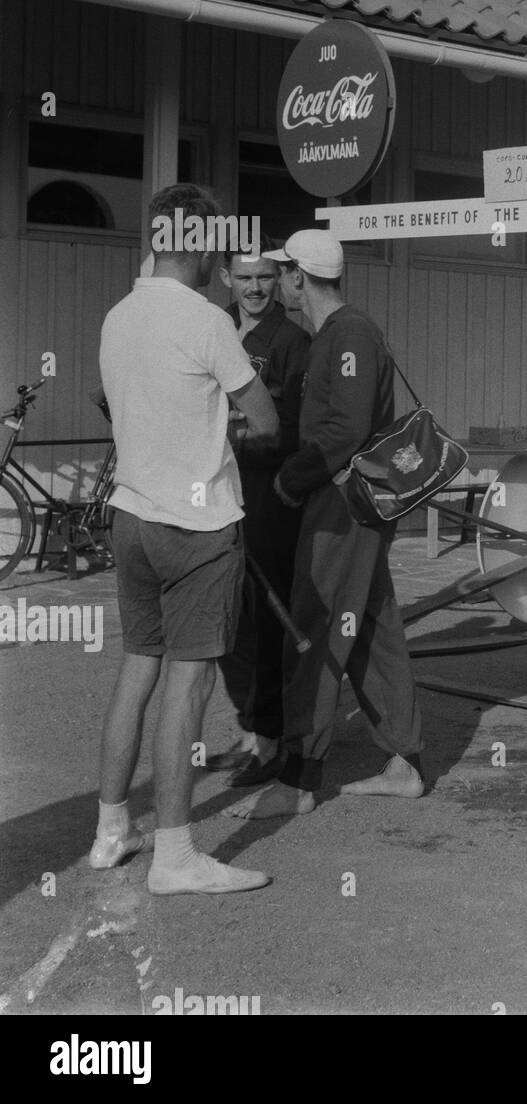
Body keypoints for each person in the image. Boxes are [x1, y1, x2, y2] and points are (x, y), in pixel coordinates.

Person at [92, 183, 277, 895]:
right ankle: (174, 856)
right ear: (195, 243)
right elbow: (264, 422)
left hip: (132, 516)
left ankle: (113, 830)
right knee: (188, 683)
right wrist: (220, 427)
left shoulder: (117, 316)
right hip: (196, 526)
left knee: (137, 668)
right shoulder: (205, 320)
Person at [229, 230, 424, 819]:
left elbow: (346, 429)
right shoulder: (330, 337)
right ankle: (405, 761)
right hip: (341, 500)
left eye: (282, 272)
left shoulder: (351, 334)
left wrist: (291, 479)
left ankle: (298, 778)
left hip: (343, 505)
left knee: (311, 630)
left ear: (296, 277)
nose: (276, 283)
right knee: (371, 627)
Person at [205, 244, 311, 787]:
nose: (254, 288)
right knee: (228, 617)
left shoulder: (292, 342)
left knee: (267, 616)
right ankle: (249, 729)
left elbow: (296, 429)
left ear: (279, 279)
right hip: (213, 494)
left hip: (265, 496)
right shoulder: (213, 327)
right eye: (244, 277)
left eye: (265, 277)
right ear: (226, 277)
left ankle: (270, 738)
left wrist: (239, 434)